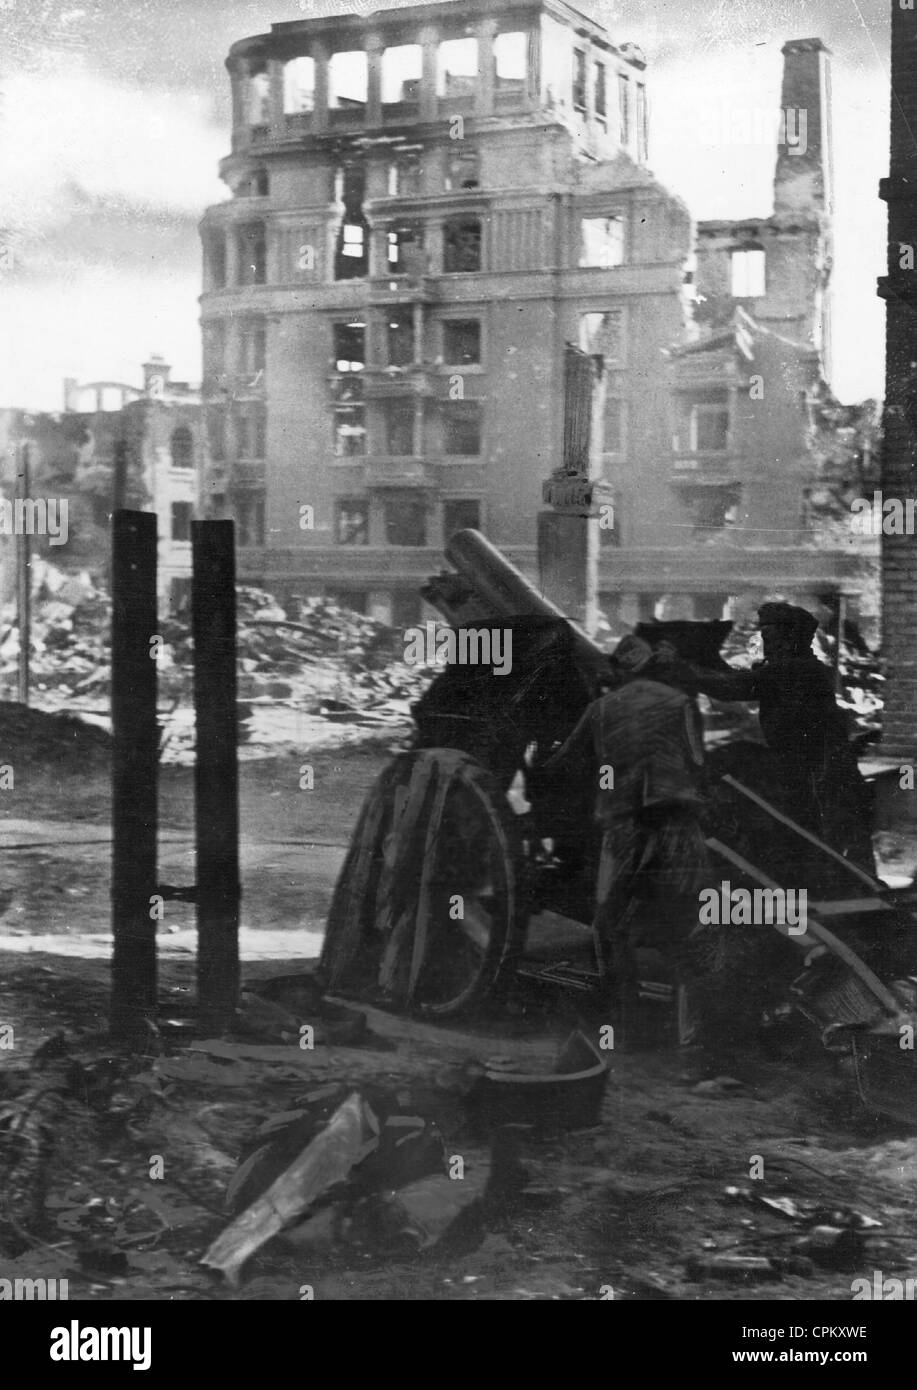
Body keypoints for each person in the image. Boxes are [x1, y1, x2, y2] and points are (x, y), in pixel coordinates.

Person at [536, 635, 710, 1039]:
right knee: (694, 923)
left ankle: (623, 1024)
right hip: (678, 823)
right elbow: (700, 762)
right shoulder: (679, 702)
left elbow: (562, 761)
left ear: (616, 671)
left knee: (609, 925)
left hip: (624, 824)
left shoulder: (600, 708)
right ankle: (692, 1046)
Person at [654, 601, 876, 879]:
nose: (766, 643)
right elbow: (738, 681)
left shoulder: (792, 670)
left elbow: (732, 687)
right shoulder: (798, 667)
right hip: (818, 766)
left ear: (789, 638)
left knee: (827, 842)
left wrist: (679, 666)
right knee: (829, 840)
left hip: (818, 771)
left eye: (771, 637)